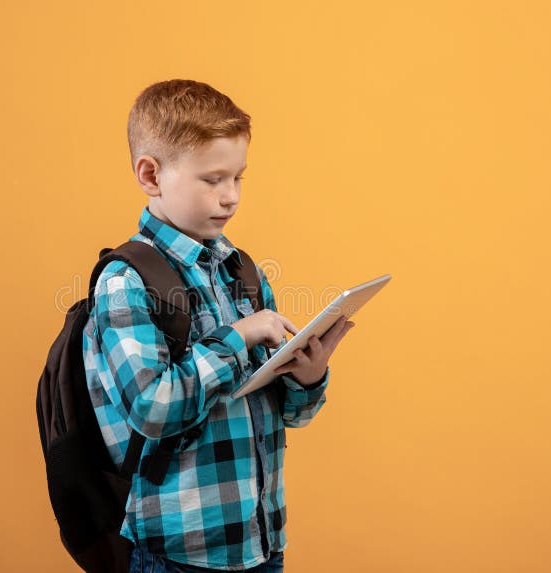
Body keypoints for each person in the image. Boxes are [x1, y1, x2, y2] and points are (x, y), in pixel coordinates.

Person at [82, 79, 355, 572]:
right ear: (151, 175)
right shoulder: (126, 281)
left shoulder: (242, 273)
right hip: (180, 551)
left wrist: (307, 377)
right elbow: (152, 407)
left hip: (261, 543)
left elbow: (288, 413)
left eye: (238, 178)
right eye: (212, 180)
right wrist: (241, 336)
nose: (230, 197)